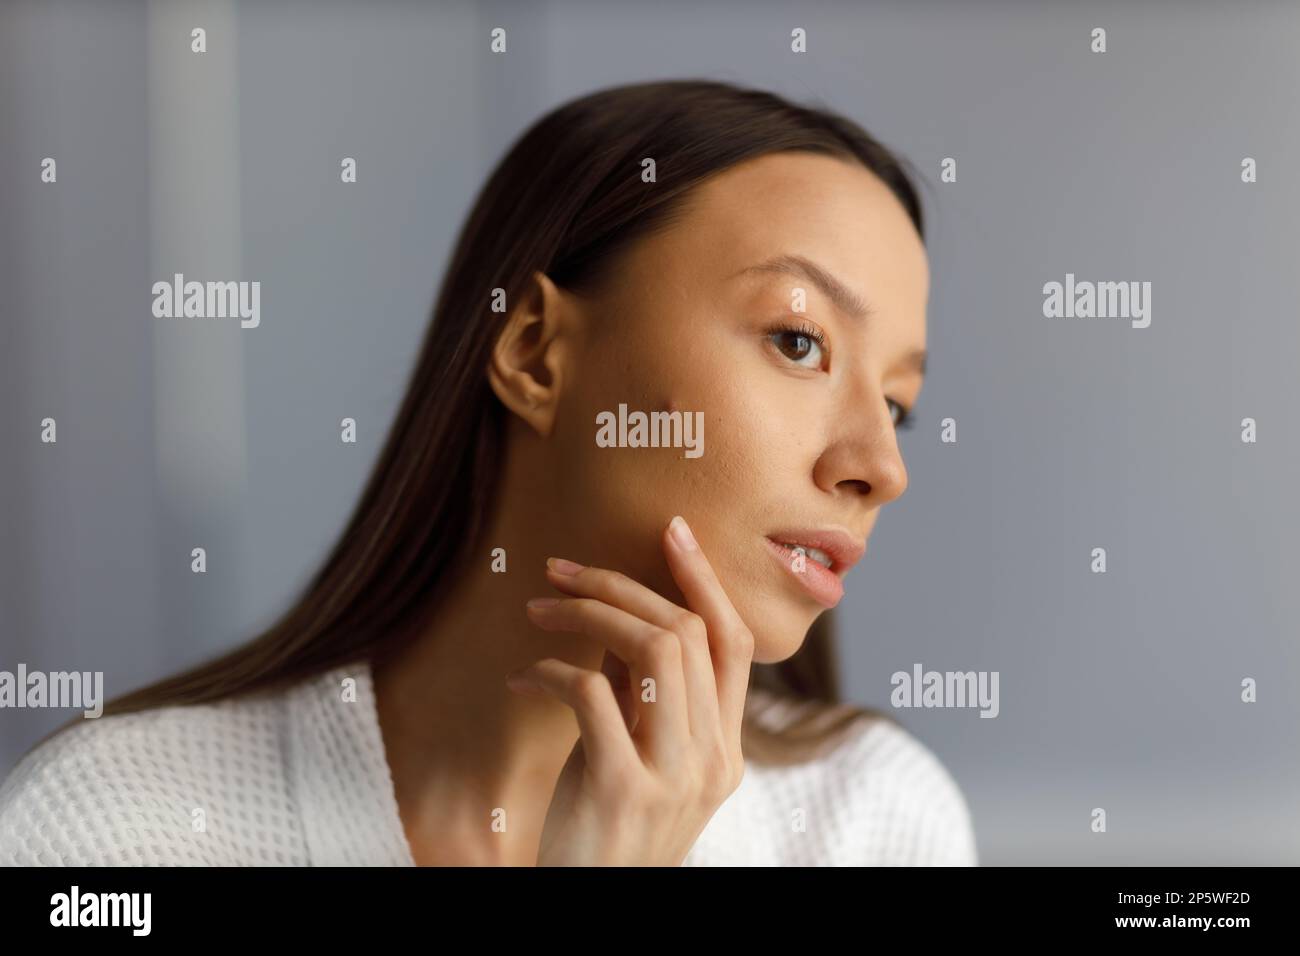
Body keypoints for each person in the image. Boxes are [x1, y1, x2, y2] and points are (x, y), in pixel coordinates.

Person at [0, 79, 976, 866]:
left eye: (896, 402)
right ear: (536, 353)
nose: (879, 466)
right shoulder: (116, 827)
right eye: (799, 341)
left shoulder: (874, 822)